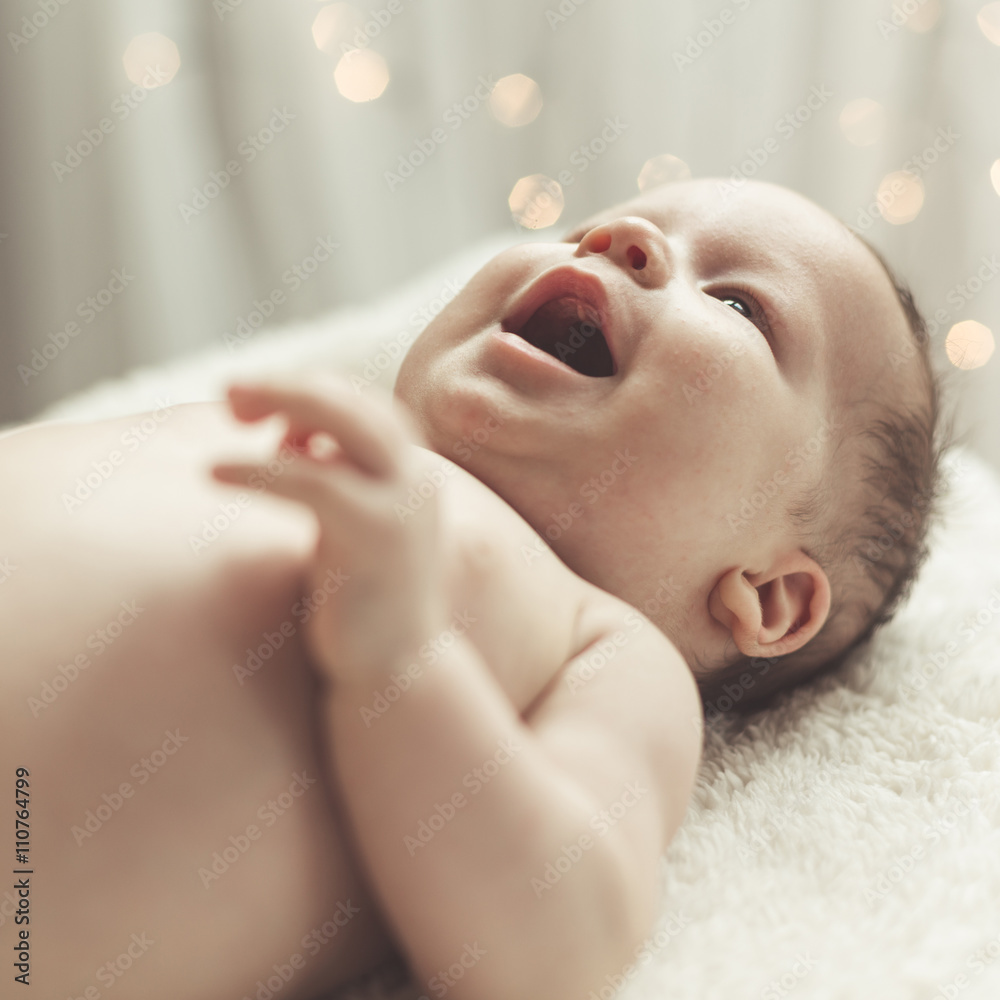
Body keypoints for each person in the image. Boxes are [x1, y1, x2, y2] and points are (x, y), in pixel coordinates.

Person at [0, 179, 939, 1000]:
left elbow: (559, 942)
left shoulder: (607, 647)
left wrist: (403, 655)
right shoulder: (325, 423)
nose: (620, 244)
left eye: (739, 306)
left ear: (765, 596)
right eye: (589, 231)